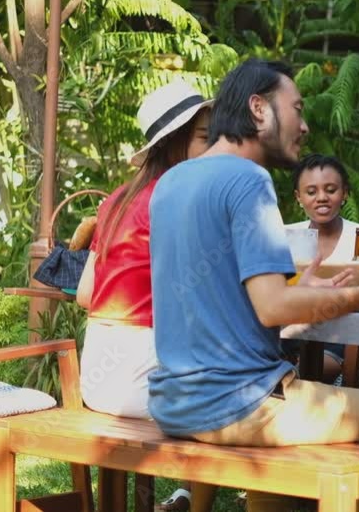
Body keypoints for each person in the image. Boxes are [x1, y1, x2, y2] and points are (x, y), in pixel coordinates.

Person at [147, 59, 359, 512]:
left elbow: (225, 294)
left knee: (300, 418)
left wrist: (314, 287)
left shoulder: (171, 182)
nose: (303, 126)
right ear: (259, 109)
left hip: (173, 400)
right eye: (297, 108)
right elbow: (273, 308)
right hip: (239, 404)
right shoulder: (248, 178)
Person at [76, 79, 211, 512]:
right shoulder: (181, 200)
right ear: (175, 142)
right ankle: (193, 499)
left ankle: (185, 496)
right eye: (206, 138)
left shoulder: (114, 200)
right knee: (245, 392)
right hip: (142, 384)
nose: (215, 150)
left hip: (96, 380)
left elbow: (84, 295)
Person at [285, 153, 359, 382]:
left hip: (346, 335)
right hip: (290, 333)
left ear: (345, 193)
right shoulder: (285, 238)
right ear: (298, 197)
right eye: (311, 192)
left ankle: (289, 379)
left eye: (331, 190)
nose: (321, 198)